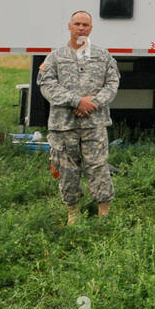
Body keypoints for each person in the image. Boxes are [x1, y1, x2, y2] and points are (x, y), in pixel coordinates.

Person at [37, 11, 120, 225]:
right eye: (77, 24)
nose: (81, 28)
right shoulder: (55, 56)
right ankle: (73, 213)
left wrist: (92, 103)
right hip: (64, 126)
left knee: (99, 167)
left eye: (85, 24)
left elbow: (112, 83)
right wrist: (76, 101)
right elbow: (46, 84)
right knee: (67, 170)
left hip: (94, 124)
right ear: (69, 26)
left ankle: (104, 214)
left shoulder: (103, 56)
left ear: (91, 28)